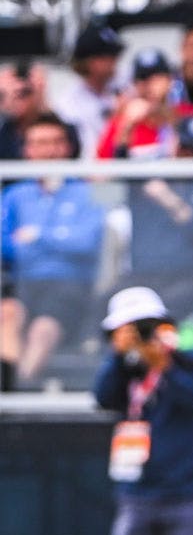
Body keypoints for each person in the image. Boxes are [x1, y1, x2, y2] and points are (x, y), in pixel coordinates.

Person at [93, 286, 193, 535]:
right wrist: (118, 356)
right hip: (137, 490)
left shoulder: (188, 362)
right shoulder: (123, 370)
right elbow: (103, 398)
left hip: (184, 491)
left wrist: (164, 365)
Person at [0, 113, 105, 385]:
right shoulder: (15, 194)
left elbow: (87, 243)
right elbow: (5, 244)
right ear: (27, 150)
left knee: (43, 329)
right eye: (39, 143)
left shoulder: (88, 190)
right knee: (8, 315)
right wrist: (58, 240)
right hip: (22, 281)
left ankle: (17, 392)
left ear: (67, 147)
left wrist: (38, 237)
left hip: (69, 284)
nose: (48, 150)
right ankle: (7, 390)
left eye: (55, 142)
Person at [107, 115, 193, 320]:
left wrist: (170, 200)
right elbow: (120, 165)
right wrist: (128, 126)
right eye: (184, 148)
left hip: (190, 278)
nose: (188, 156)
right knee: (108, 307)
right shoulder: (149, 175)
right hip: (142, 276)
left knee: (161, 314)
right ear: (172, 144)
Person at [52, 24, 125, 159]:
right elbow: (83, 152)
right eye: (107, 56)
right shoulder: (68, 103)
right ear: (89, 61)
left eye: (115, 55)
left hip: (125, 164)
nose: (114, 61)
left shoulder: (126, 87)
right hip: (89, 172)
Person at [96, 48, 176, 159]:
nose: (149, 85)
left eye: (156, 77)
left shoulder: (183, 113)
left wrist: (161, 112)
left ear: (169, 80)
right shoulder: (120, 123)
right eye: (143, 78)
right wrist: (127, 126)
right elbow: (101, 170)